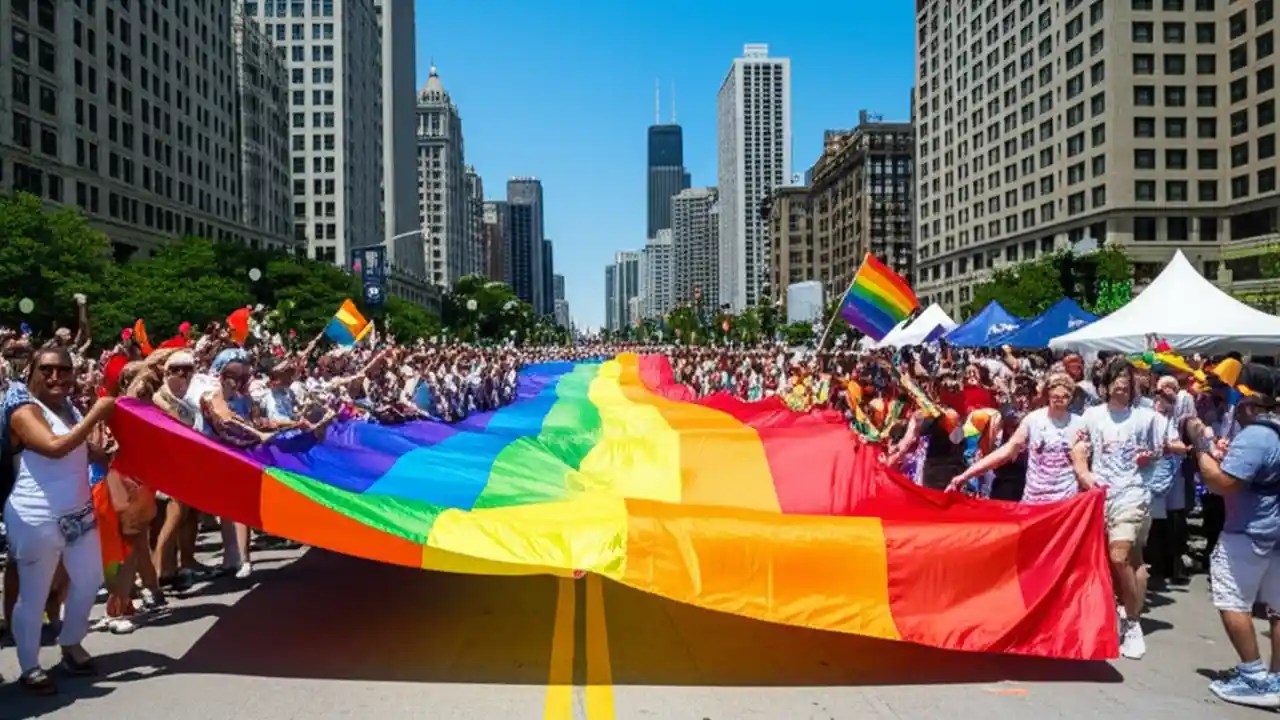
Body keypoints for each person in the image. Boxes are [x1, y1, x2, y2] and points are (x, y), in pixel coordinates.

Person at [5, 347, 116, 694]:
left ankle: (70, 643)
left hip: (79, 512)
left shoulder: (68, 407)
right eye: (48, 370)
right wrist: (96, 414)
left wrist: (100, 451)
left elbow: (78, 448)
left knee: (90, 579)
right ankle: (30, 666)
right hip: (36, 516)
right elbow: (53, 447)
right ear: (32, 372)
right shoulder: (23, 410)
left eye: (63, 370)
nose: (56, 378)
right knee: (34, 593)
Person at [1190, 387, 1280, 709]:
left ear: (1254, 405)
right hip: (1274, 533)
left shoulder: (1258, 435)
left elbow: (1222, 483)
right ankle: (1277, 679)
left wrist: (1200, 449)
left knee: (1232, 599)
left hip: (1249, 532)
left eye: (1240, 402)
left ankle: (1254, 676)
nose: (1236, 408)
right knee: (1278, 608)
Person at [1071, 357, 1158, 661]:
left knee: (1118, 556)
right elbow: (1078, 448)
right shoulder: (1091, 416)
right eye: (1116, 378)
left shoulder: (1146, 417)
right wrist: (1084, 473)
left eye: (1128, 378)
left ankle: (1132, 624)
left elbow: (1165, 450)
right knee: (1131, 560)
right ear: (1106, 386)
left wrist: (1151, 459)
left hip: (1133, 493)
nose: (1122, 383)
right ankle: (1125, 610)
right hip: (1100, 494)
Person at [949, 372, 1086, 503]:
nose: (1059, 400)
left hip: (1066, 504)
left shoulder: (1079, 424)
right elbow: (1006, 451)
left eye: (1065, 396)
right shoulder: (1033, 420)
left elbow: (1083, 469)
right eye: (1055, 396)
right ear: (1048, 395)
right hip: (1034, 502)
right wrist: (966, 475)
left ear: (1071, 398)